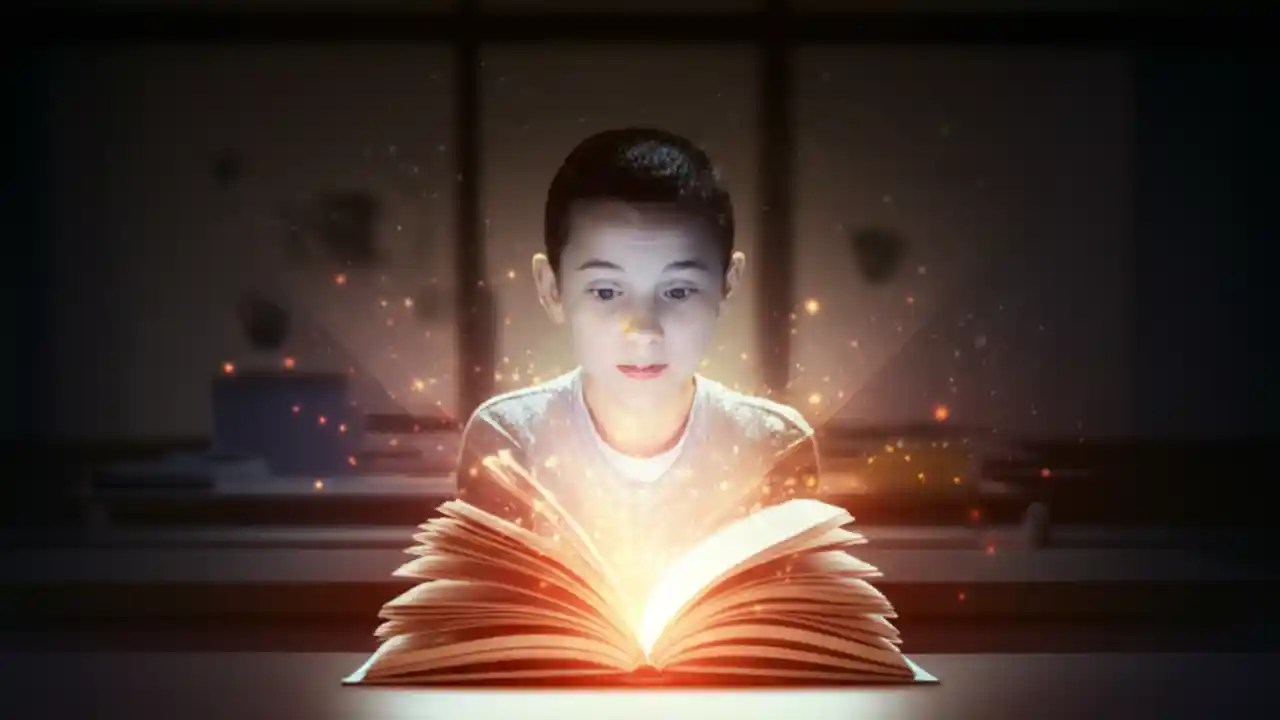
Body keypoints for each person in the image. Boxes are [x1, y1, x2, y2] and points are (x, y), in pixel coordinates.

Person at [454, 127, 823, 593]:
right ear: (552, 288)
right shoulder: (508, 440)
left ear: (727, 283)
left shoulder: (773, 445)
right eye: (606, 292)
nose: (643, 330)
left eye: (678, 291)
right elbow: (483, 623)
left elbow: (794, 625)